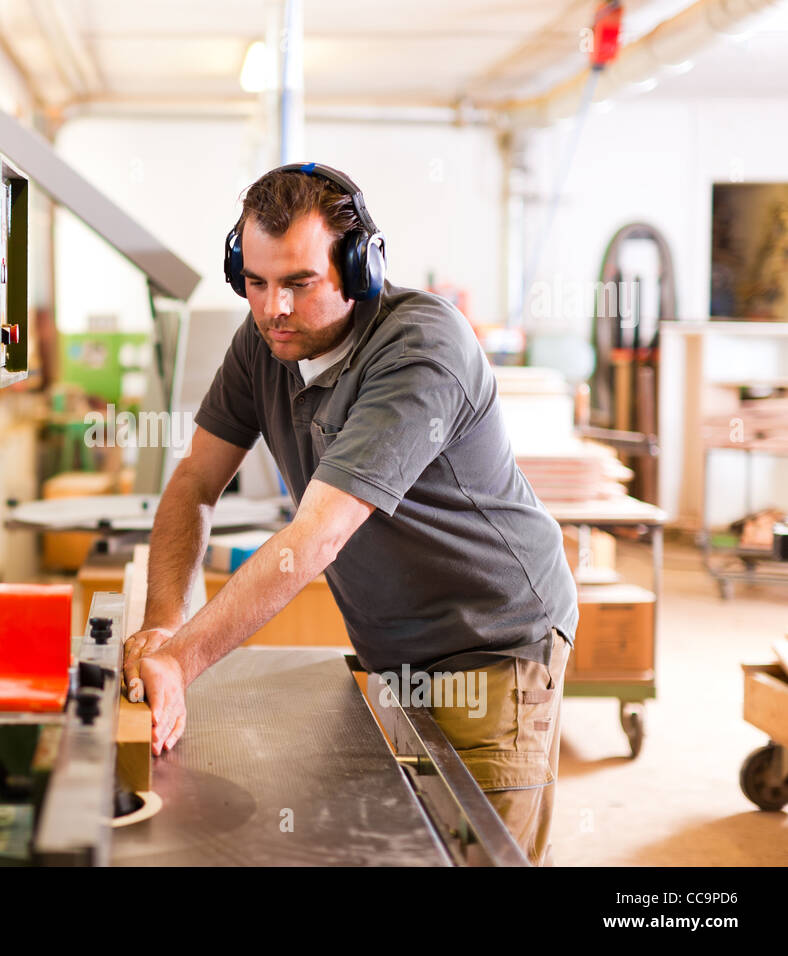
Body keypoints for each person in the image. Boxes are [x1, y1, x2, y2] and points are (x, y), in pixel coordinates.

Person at [120, 162, 579, 865]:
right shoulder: (263, 344)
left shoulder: (421, 348)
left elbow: (315, 537)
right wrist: (161, 624)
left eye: (299, 283)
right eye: (256, 283)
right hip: (392, 651)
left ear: (360, 268)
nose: (273, 307)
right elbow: (193, 482)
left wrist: (180, 663)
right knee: (403, 843)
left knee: (476, 852)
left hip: (494, 645)